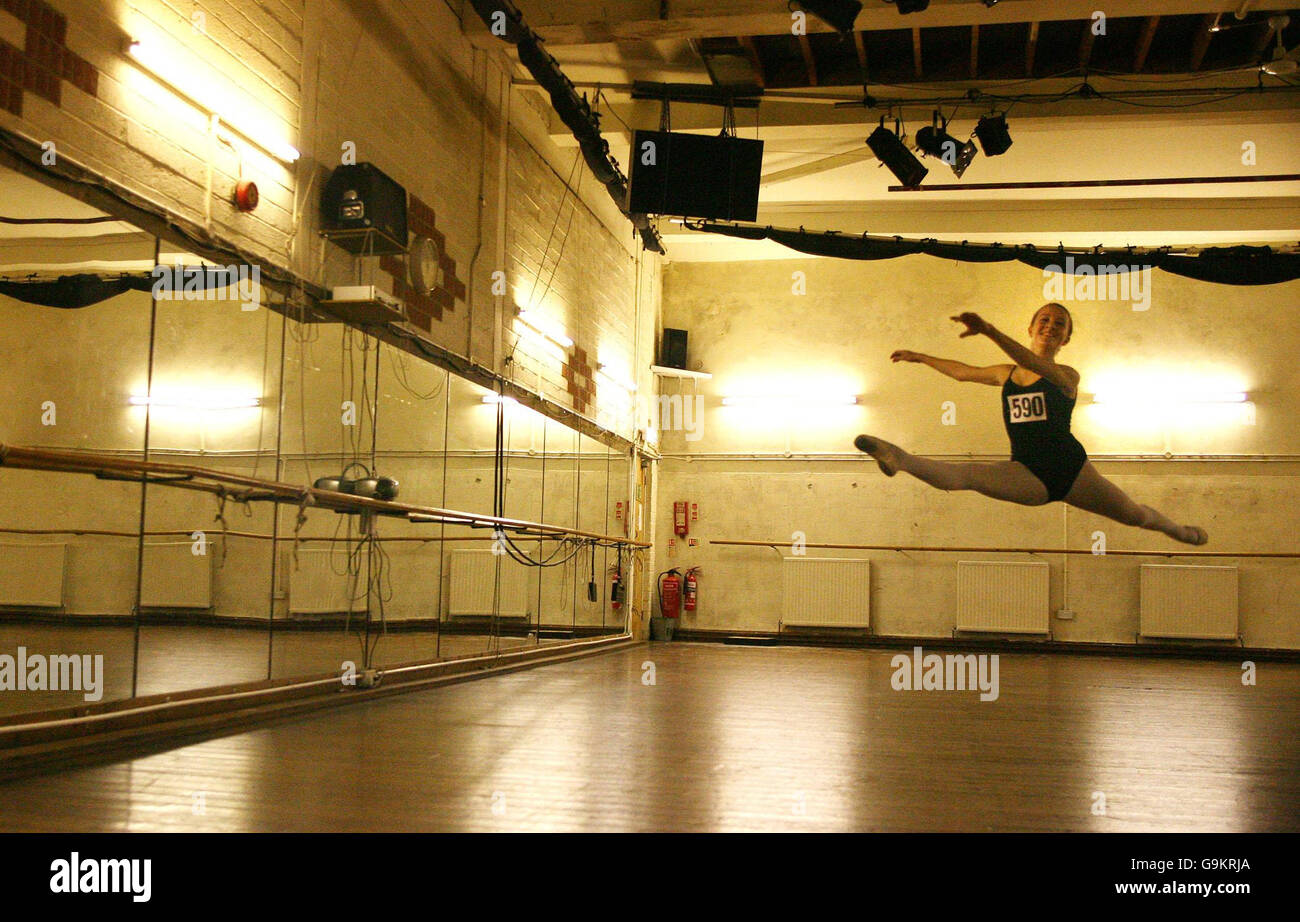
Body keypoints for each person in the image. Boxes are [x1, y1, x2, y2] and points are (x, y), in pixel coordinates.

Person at [854, 303, 1209, 545]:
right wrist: (921, 357)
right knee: (967, 476)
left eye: (1059, 324)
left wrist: (990, 330)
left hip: (1073, 471)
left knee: (1133, 515)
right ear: (1031, 327)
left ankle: (1177, 531)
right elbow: (962, 373)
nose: (1050, 326)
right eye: (1044, 319)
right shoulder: (1005, 374)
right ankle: (899, 458)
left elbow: (1035, 364)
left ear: (1065, 339)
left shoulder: (1066, 375)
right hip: (1027, 472)